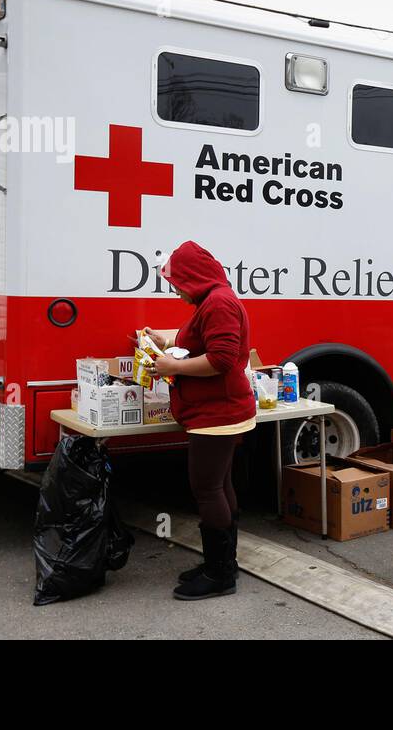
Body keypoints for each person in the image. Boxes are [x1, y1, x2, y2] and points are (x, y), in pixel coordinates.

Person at [145, 241, 255, 601]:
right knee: (220, 486)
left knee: (207, 488)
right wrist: (166, 339)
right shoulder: (214, 299)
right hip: (216, 412)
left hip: (217, 414)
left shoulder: (219, 302)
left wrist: (173, 366)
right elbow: (201, 339)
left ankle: (220, 574)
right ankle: (223, 565)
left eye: (177, 284)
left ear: (193, 278)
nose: (176, 291)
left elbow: (221, 359)